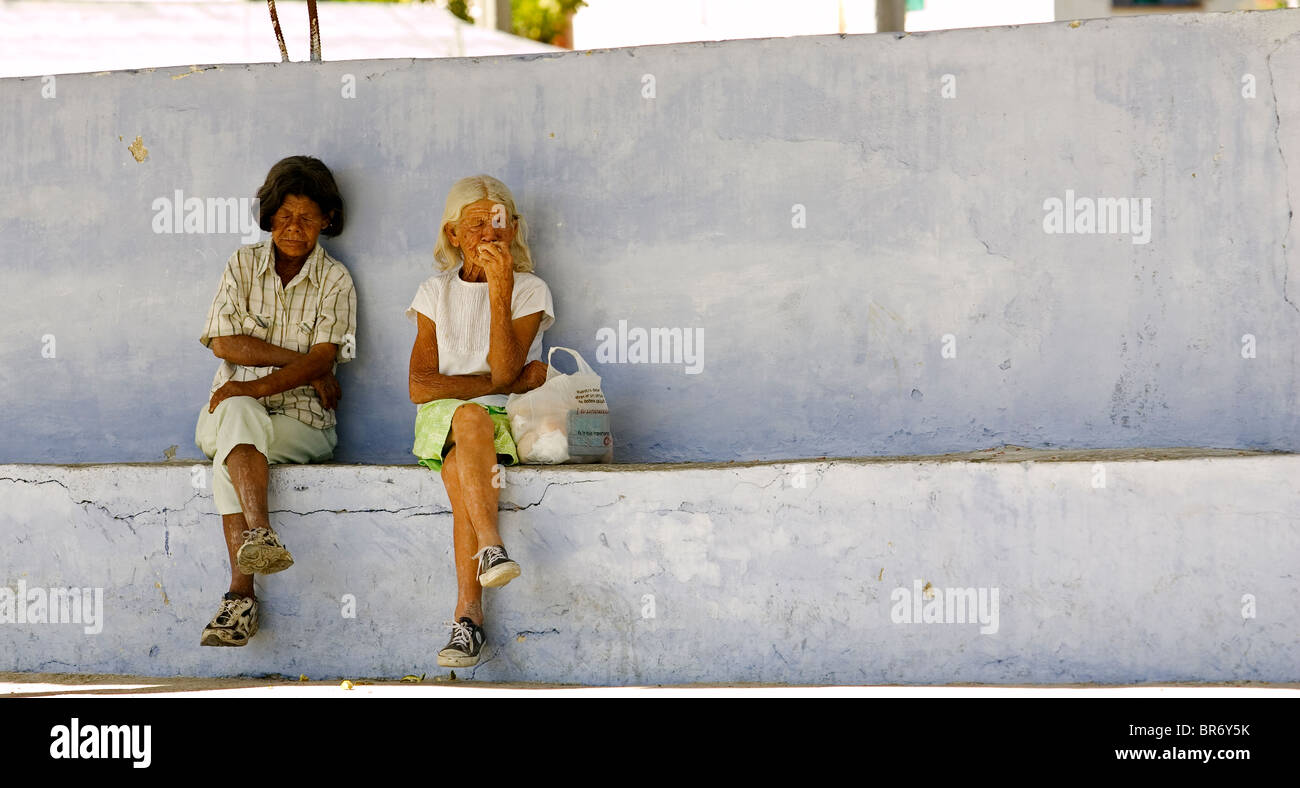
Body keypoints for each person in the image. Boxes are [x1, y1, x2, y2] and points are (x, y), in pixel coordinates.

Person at [195, 155, 357, 647]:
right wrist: (303, 363)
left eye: (308, 217)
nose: (294, 227)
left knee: (233, 440)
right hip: (229, 409)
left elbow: (324, 357)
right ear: (268, 216)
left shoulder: (336, 281)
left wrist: (260, 380)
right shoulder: (242, 265)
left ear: (327, 220)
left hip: (303, 425)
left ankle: (239, 598)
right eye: (285, 215)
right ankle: (260, 535)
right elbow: (224, 342)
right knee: (238, 417)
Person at [407, 175, 555, 667]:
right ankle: (492, 545)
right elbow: (420, 387)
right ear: (453, 235)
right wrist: (503, 383)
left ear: (513, 232)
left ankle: (468, 620)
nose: (489, 234)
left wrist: (501, 288)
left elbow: (506, 368)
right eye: (476, 224)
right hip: (443, 419)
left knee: (460, 477)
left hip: (502, 423)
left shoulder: (529, 290)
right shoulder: (434, 291)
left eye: (499, 223)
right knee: (469, 417)